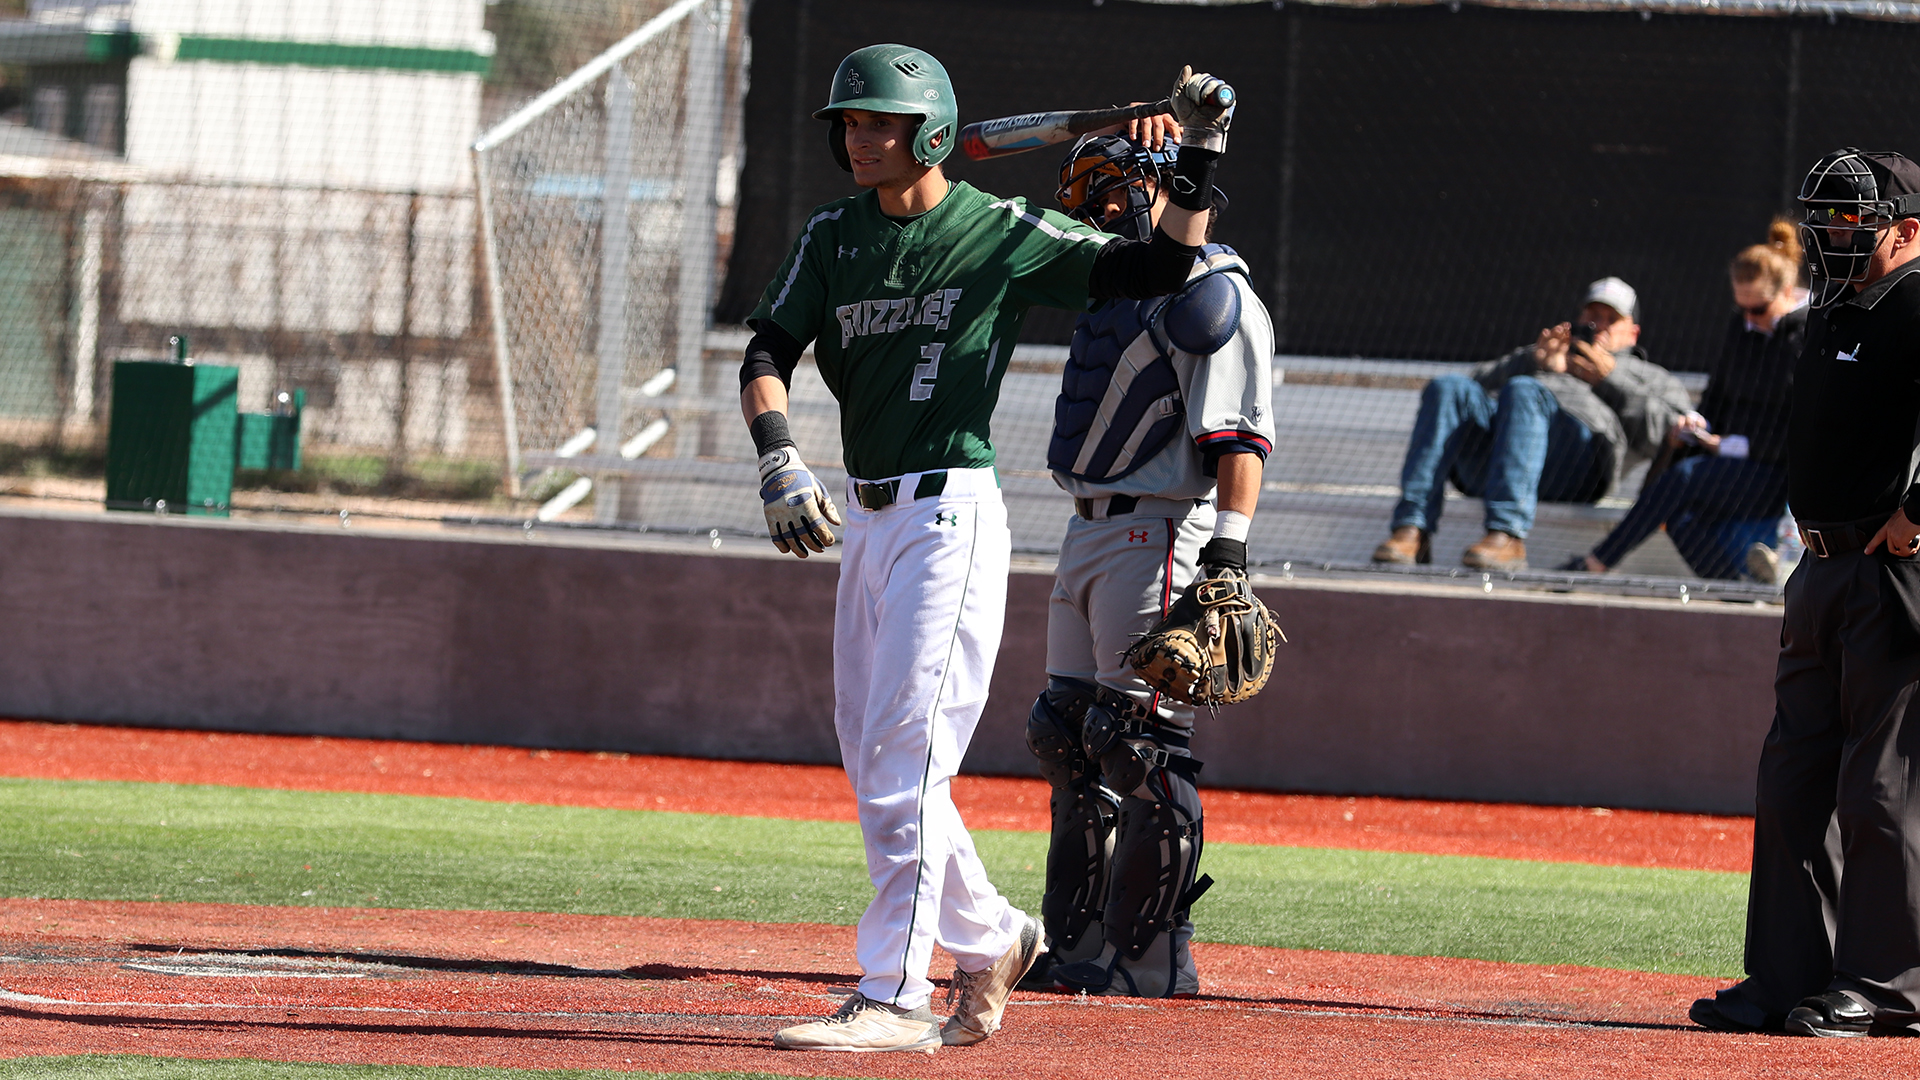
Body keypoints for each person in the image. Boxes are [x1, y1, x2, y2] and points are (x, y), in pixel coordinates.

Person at [738, 44, 1237, 1053]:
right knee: (874, 758)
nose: (857, 138)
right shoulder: (833, 235)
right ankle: (995, 935)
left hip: (947, 518)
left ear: (928, 134)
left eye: (879, 123)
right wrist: (779, 456)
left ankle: (894, 995)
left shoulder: (997, 230)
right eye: (849, 123)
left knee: (904, 755)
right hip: (863, 520)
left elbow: (1158, 269)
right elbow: (766, 349)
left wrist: (1197, 150)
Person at [1022, 131, 1273, 999]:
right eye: (1086, 195)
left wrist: (1228, 554)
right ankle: (1080, 945)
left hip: (1161, 530)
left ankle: (1155, 957)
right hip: (1086, 526)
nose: (1094, 211)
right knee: (1065, 735)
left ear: (1161, 189)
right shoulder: (1121, 287)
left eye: (1108, 191)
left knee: (1138, 746)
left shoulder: (1210, 292)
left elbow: (1239, 436)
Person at [1690, 148, 1920, 1038]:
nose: (1830, 235)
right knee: (1792, 779)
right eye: (1823, 217)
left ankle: (1887, 989)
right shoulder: (1828, 309)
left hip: (1889, 575)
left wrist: (1917, 516)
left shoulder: (1915, 301)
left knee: (1880, 788)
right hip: (1819, 568)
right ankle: (1785, 979)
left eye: (1851, 219)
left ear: (1906, 231)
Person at [1370, 279, 1692, 571]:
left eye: (1612, 319)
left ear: (1633, 332)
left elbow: (1673, 433)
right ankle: (1411, 531)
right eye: (1593, 315)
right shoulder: (1546, 352)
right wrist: (1533, 362)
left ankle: (1507, 536)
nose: (1599, 325)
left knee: (1525, 390)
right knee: (1448, 387)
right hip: (1495, 463)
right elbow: (1468, 388)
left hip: (1578, 471)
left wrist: (1610, 379)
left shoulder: (1650, 376)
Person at [1562, 223, 1804, 579]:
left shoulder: (1809, 333)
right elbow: (1718, 393)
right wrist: (1697, 423)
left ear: (1786, 293)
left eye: (1758, 310)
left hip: (1775, 473)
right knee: (1676, 515)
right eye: (1742, 309)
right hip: (1726, 463)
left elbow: (1802, 427)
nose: (1749, 319)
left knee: (1682, 477)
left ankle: (1596, 563)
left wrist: (1733, 445)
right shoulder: (1742, 327)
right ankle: (1735, 590)